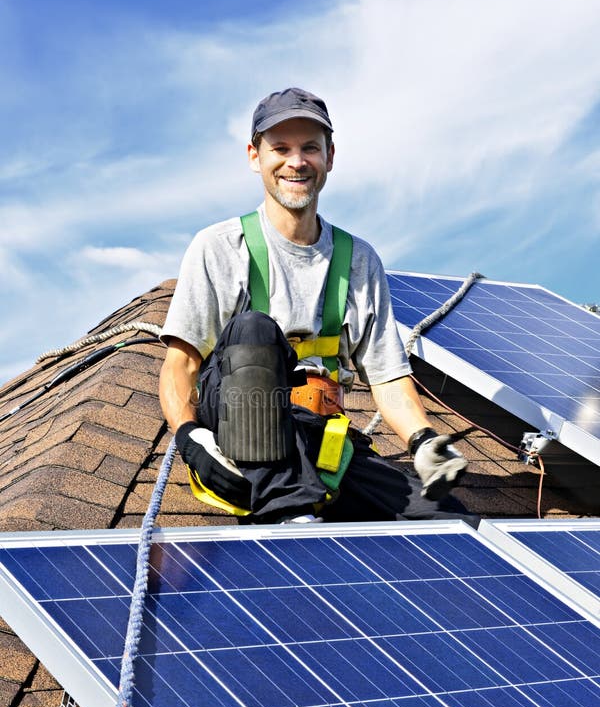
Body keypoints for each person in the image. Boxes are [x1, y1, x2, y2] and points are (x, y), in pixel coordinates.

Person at [159, 87, 477, 526]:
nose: (296, 161)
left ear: (329, 156)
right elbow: (181, 366)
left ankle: (308, 496)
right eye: (280, 149)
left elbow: (388, 377)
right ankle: (288, 511)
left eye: (310, 147)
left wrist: (422, 440)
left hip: (323, 437)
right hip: (246, 434)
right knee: (253, 330)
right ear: (255, 157)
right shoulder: (219, 247)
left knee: (453, 530)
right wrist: (190, 436)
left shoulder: (358, 259)